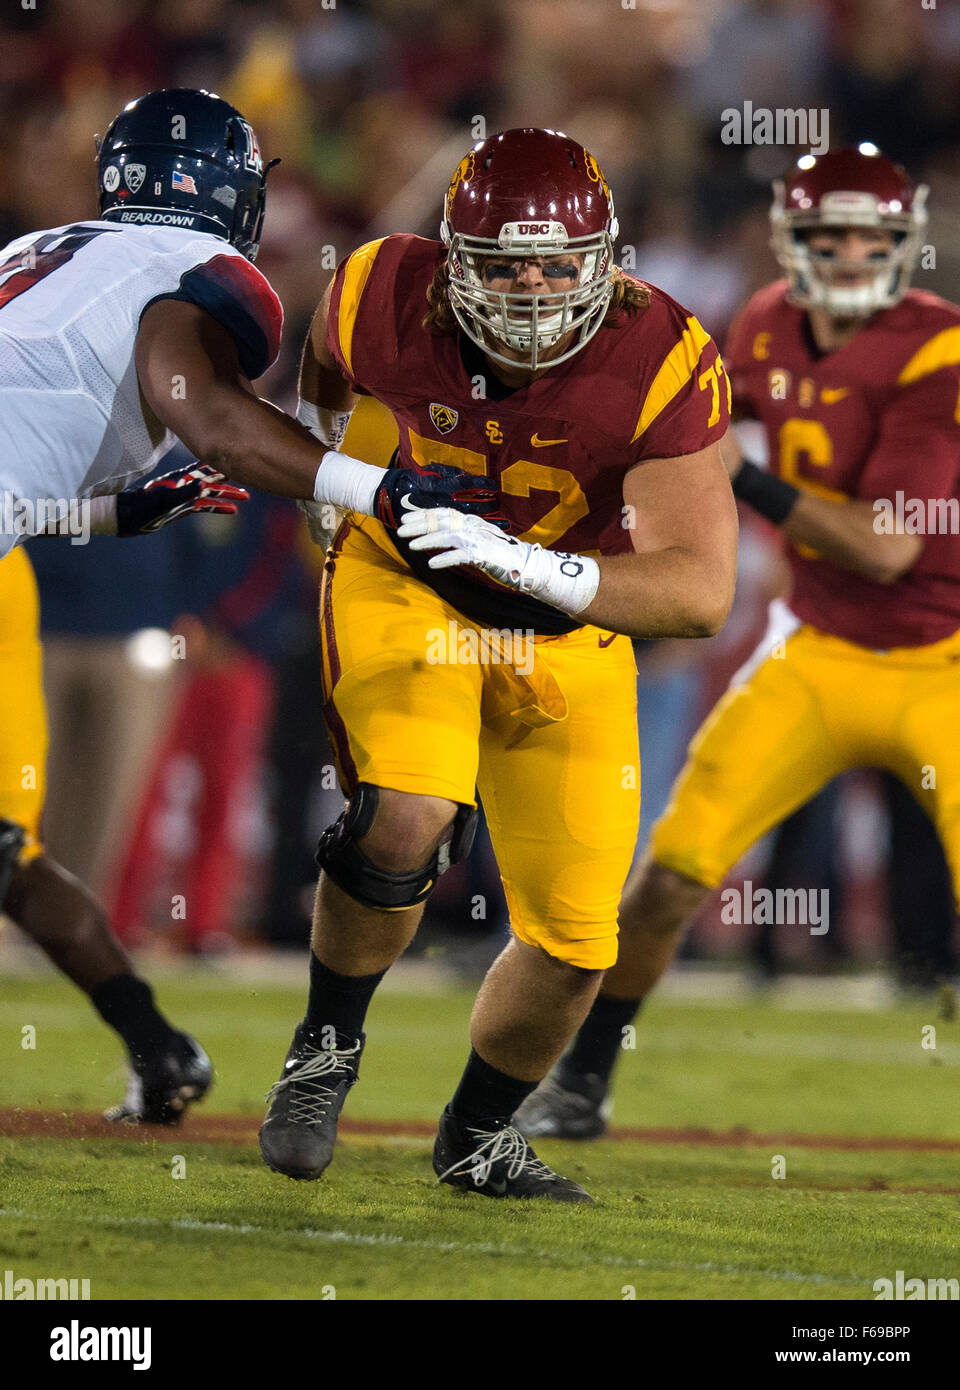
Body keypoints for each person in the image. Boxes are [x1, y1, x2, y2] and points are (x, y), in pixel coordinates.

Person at [258, 127, 738, 1202]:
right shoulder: (383, 286)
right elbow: (324, 372)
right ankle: (324, 1048)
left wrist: (538, 567)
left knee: (577, 943)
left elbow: (701, 589)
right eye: (503, 261)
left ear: (605, 258)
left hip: (564, 623)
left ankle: (476, 1134)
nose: (532, 286)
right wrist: (335, 473)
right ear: (452, 255)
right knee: (408, 813)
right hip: (409, 579)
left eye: (558, 261)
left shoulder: (662, 352)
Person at [0, 87, 495, 1123]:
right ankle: (158, 1044)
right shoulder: (182, 279)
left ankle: (157, 1045)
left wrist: (110, 514)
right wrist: (378, 488)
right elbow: (216, 421)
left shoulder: (37, 255)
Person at [515, 145, 960, 1139]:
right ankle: (582, 1081)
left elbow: (888, 547)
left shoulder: (938, 349)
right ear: (788, 238)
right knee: (672, 871)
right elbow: (687, 432)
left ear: (903, 244)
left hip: (946, 660)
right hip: (818, 650)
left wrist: (740, 474)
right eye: (829, 234)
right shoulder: (763, 321)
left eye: (870, 237)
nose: (849, 254)